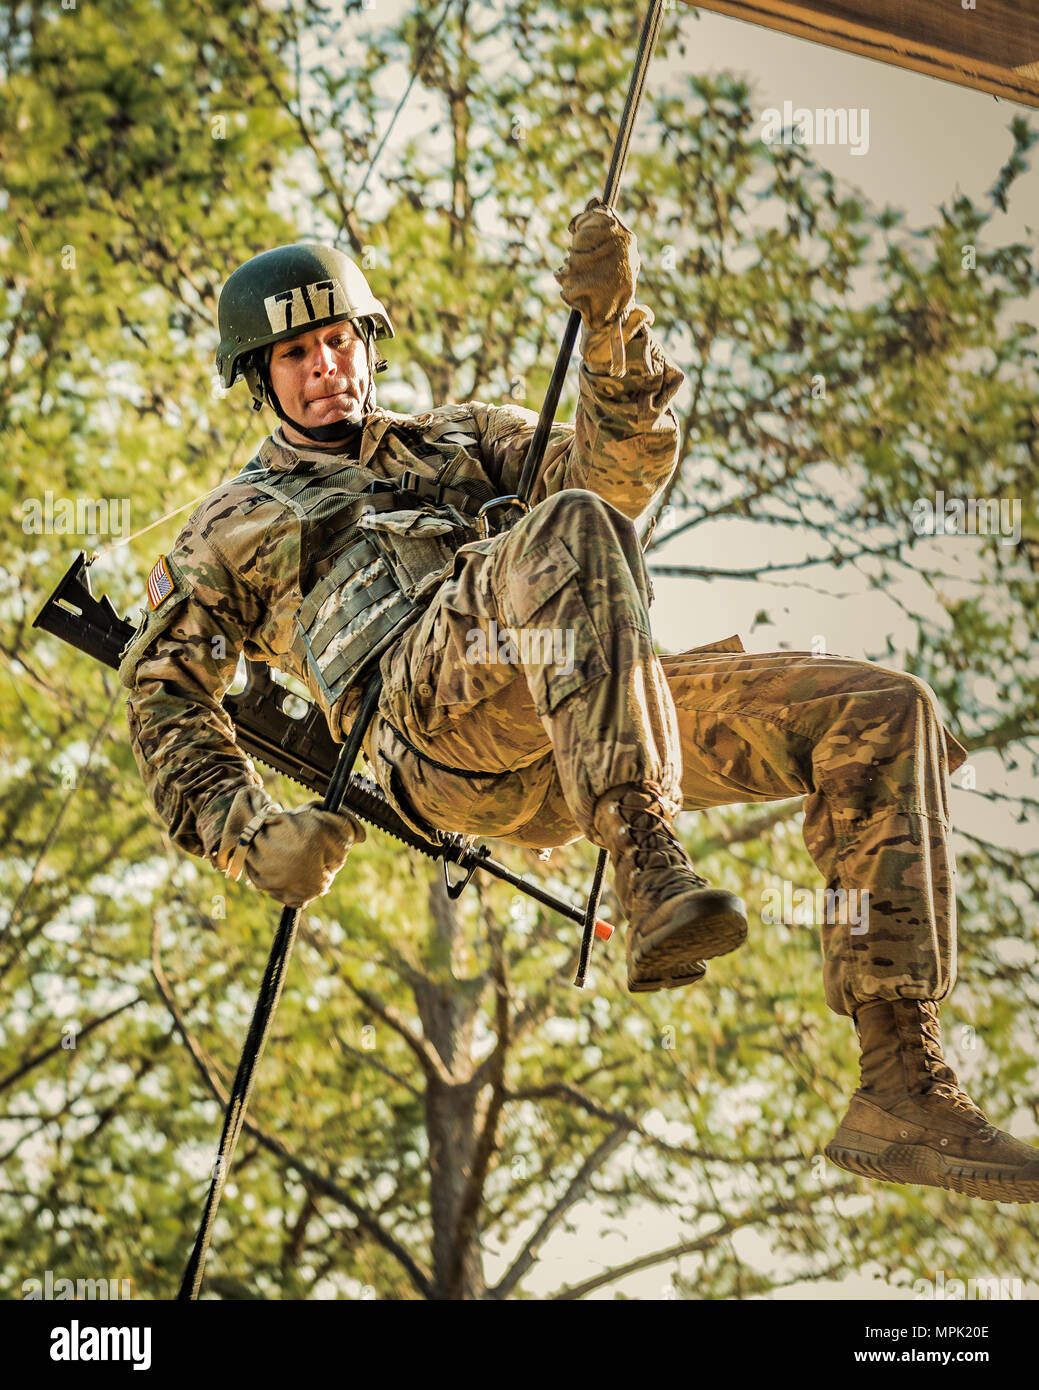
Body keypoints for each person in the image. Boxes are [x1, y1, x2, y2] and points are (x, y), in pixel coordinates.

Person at [119, 207, 1039, 1202]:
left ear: (367, 341)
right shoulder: (233, 525)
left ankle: (898, 1079)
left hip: (587, 708)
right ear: (262, 377)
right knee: (565, 526)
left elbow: (615, 477)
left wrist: (610, 329)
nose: (327, 366)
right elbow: (164, 696)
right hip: (435, 733)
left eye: (340, 339)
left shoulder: (461, 434)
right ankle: (646, 858)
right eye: (297, 353)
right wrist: (249, 838)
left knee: (877, 709)